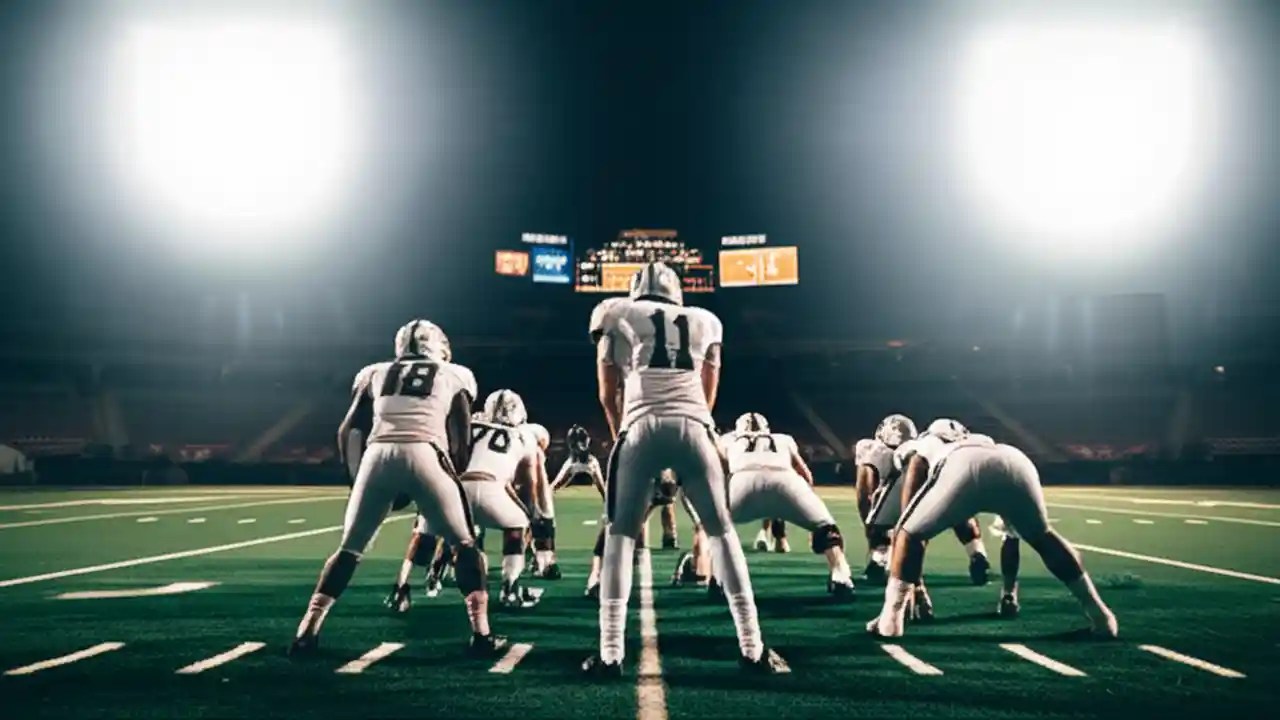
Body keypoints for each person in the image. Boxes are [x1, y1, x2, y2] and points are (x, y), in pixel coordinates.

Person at [582, 262, 783, 676]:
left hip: (640, 424)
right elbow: (709, 389)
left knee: (620, 536)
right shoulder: (706, 321)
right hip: (695, 426)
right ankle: (753, 648)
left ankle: (610, 654)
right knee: (722, 534)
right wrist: (696, 428)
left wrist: (625, 431)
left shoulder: (614, 312)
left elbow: (607, 392)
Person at [291, 319, 508, 658]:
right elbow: (461, 438)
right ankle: (482, 634)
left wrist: (357, 480)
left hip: (377, 455)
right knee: (465, 545)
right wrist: (449, 477)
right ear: (439, 346)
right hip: (426, 451)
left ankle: (307, 630)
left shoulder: (374, 372)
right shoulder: (455, 374)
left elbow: (348, 430)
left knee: (349, 549)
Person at [867, 424, 1118, 638]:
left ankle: (890, 622)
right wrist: (1009, 590)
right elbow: (1010, 537)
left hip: (962, 467)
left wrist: (914, 585)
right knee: (1043, 536)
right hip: (1015, 460)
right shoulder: (975, 438)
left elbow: (911, 507)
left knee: (906, 532)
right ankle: (1101, 616)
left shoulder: (922, 444)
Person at [386, 389, 547, 611]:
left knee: (424, 533)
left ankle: (400, 589)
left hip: (453, 488)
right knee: (516, 526)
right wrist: (529, 514)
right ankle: (510, 588)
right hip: (491, 490)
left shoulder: (469, 425)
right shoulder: (525, 437)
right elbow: (526, 485)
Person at [714, 412, 855, 598]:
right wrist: (810, 513)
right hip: (785, 480)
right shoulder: (783, 439)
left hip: (742, 480)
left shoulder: (727, 441)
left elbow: (718, 474)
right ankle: (841, 575)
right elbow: (806, 475)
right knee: (827, 529)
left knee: (715, 527)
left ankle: (718, 577)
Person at [857, 415, 991, 586]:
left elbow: (864, 494)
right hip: (957, 473)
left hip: (909, 478)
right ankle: (977, 552)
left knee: (888, 522)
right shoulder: (975, 443)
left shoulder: (884, 450)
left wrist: (871, 524)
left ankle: (881, 559)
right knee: (959, 512)